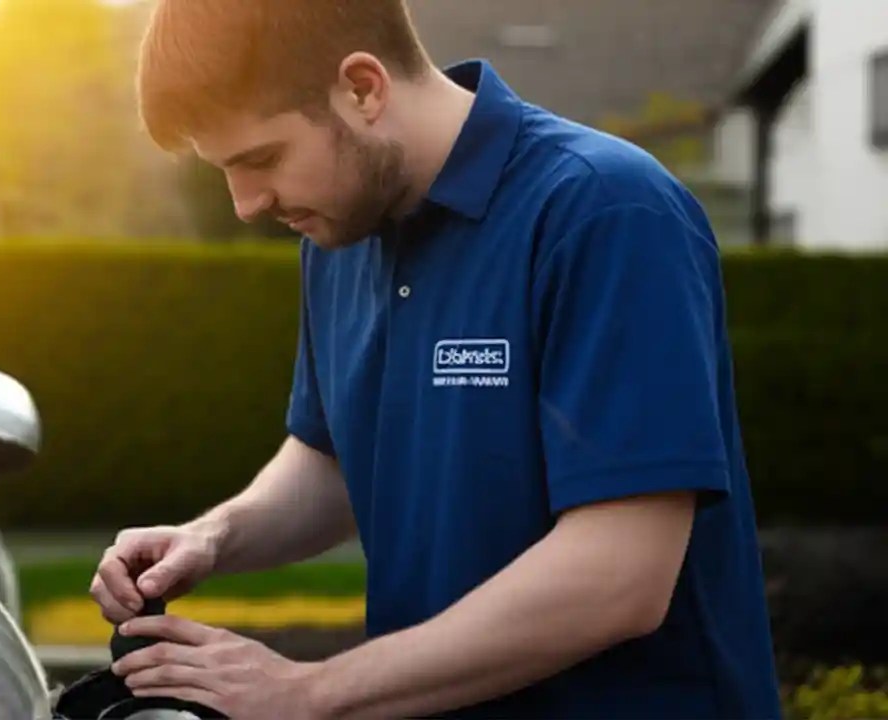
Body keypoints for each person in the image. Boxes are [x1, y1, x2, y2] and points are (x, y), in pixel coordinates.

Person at [90, 1, 782, 718]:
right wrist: (211, 538)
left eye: (261, 158)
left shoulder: (604, 212)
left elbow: (620, 576)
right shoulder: (338, 240)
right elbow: (331, 462)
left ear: (362, 87)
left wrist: (312, 693)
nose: (244, 204)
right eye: (223, 170)